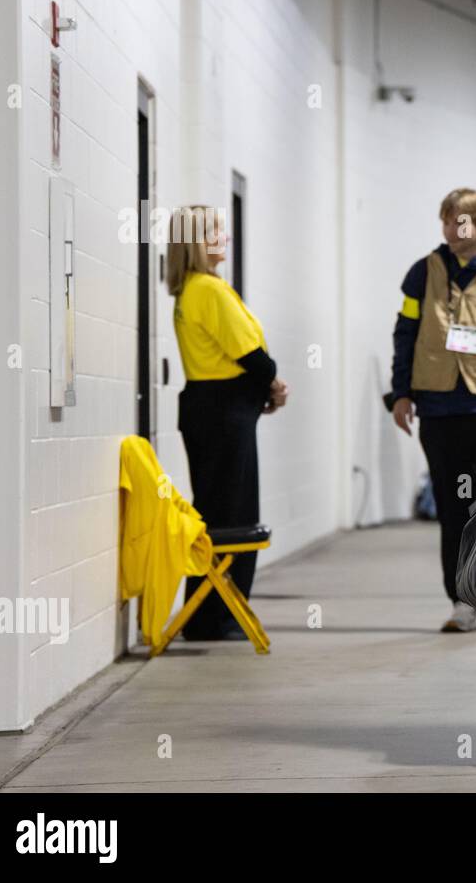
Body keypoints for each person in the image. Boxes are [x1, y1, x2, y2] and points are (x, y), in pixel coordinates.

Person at [391, 188, 476, 633]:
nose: (453, 230)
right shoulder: (423, 273)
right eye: (447, 221)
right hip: (439, 410)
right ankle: (462, 602)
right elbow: (405, 332)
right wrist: (400, 392)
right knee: (452, 508)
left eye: (462, 221)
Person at [168, 205, 287, 641]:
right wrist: (274, 383)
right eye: (215, 231)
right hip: (223, 412)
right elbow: (251, 356)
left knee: (216, 512)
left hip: (209, 408)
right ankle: (219, 616)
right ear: (197, 241)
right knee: (233, 514)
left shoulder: (190, 290)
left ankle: (208, 614)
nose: (225, 236)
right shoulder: (209, 291)